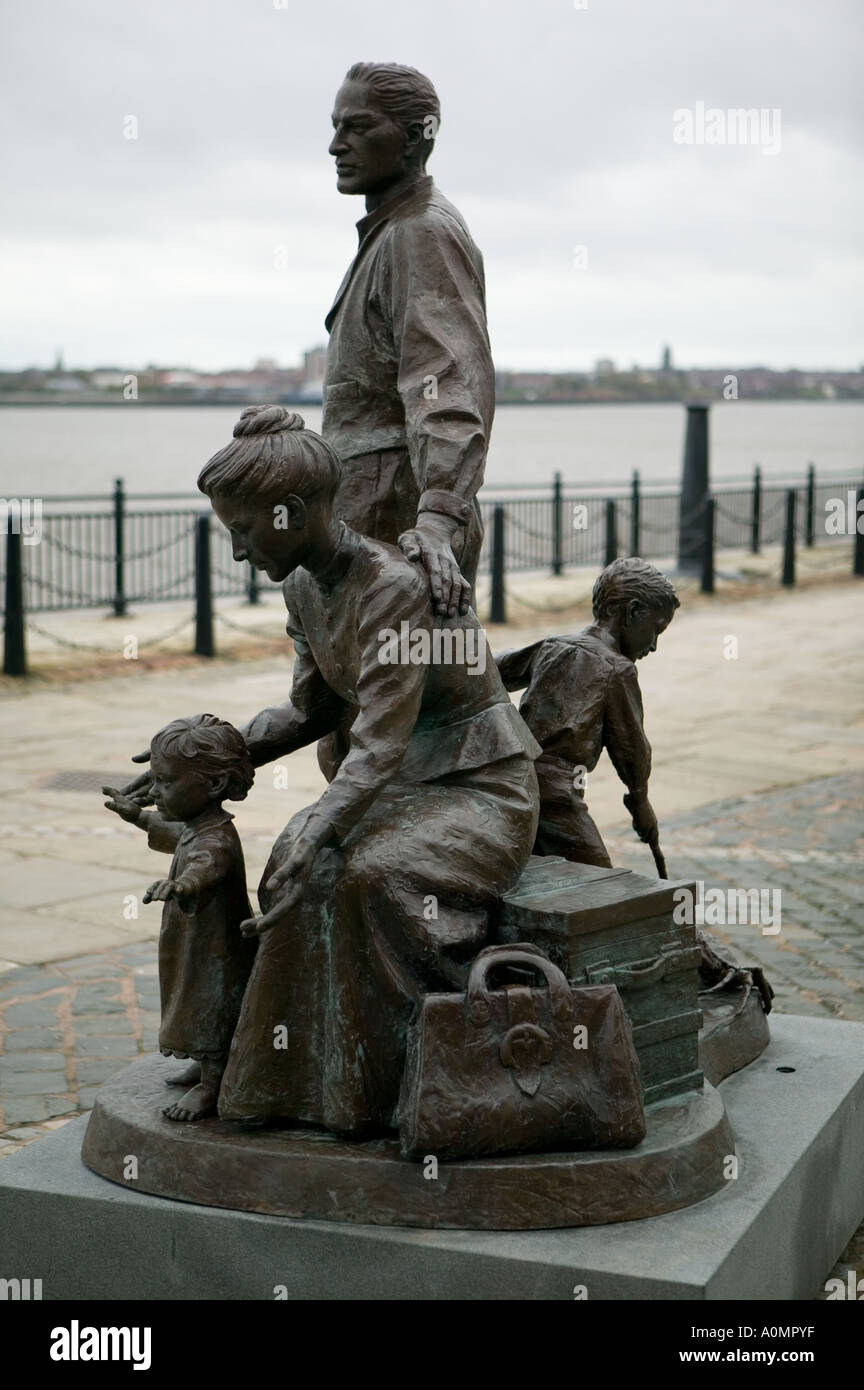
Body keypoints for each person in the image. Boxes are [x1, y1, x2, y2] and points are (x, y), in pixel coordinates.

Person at [125, 405, 540, 1135]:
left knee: (363, 876)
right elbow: (310, 711)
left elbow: (377, 741)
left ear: (287, 513)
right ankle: (277, 1080)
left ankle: (386, 1085)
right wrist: (198, 764)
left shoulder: (393, 587)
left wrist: (323, 822)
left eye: (243, 530)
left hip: (480, 789)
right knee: (293, 857)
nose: (237, 553)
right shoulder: (304, 588)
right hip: (402, 790)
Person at [323, 61, 494, 621]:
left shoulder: (419, 233)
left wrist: (439, 521)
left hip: (395, 531)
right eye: (336, 126)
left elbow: (442, 382)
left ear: (416, 136)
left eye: (358, 127)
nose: (335, 146)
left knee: (404, 706)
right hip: (371, 521)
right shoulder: (393, 233)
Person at [103, 715, 257, 1122]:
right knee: (190, 1001)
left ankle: (212, 1083)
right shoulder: (198, 825)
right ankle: (202, 1061)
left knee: (210, 1003)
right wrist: (136, 817)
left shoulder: (217, 836)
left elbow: (207, 865)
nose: (155, 792)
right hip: (192, 939)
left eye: (166, 783)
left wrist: (182, 885)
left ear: (214, 786)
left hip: (214, 948)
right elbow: (175, 837)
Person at [495, 558, 680, 869]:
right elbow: (632, 749)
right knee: (596, 878)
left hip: (514, 776)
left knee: (535, 871)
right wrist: (640, 801)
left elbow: (496, 670)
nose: (655, 645)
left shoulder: (554, 645)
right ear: (633, 612)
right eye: (656, 629)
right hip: (556, 796)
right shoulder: (617, 670)